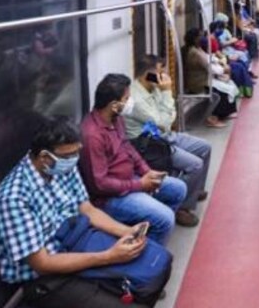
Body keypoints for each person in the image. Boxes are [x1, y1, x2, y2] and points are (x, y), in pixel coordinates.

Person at [0, 117, 162, 308]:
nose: (74, 161)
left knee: (153, 273)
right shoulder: (14, 198)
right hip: (45, 280)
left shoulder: (62, 166)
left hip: (78, 241)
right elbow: (42, 263)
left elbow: (87, 209)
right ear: (44, 157)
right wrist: (108, 256)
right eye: (69, 155)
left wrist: (126, 232)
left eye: (76, 153)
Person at [80, 74, 188, 242]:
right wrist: (140, 185)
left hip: (130, 179)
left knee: (178, 189)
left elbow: (128, 149)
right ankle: (145, 255)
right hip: (111, 197)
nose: (130, 102)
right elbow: (99, 184)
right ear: (114, 105)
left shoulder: (116, 119)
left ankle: (152, 234)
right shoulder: (92, 136)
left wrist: (147, 171)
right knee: (165, 218)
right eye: (127, 98)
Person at [124, 55, 212, 227]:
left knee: (205, 147)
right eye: (159, 71)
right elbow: (164, 122)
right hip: (149, 144)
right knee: (194, 164)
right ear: (146, 75)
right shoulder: (136, 99)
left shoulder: (153, 87)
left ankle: (194, 190)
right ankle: (183, 207)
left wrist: (166, 110)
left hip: (164, 135)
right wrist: (167, 92)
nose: (163, 75)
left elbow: (169, 117)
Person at [183, 28, 239, 127]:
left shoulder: (197, 49)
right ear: (194, 38)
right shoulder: (194, 53)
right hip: (199, 83)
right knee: (221, 92)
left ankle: (225, 113)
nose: (202, 38)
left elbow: (208, 58)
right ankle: (213, 118)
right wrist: (223, 70)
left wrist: (218, 62)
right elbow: (209, 67)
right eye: (199, 36)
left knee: (229, 84)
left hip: (205, 78)